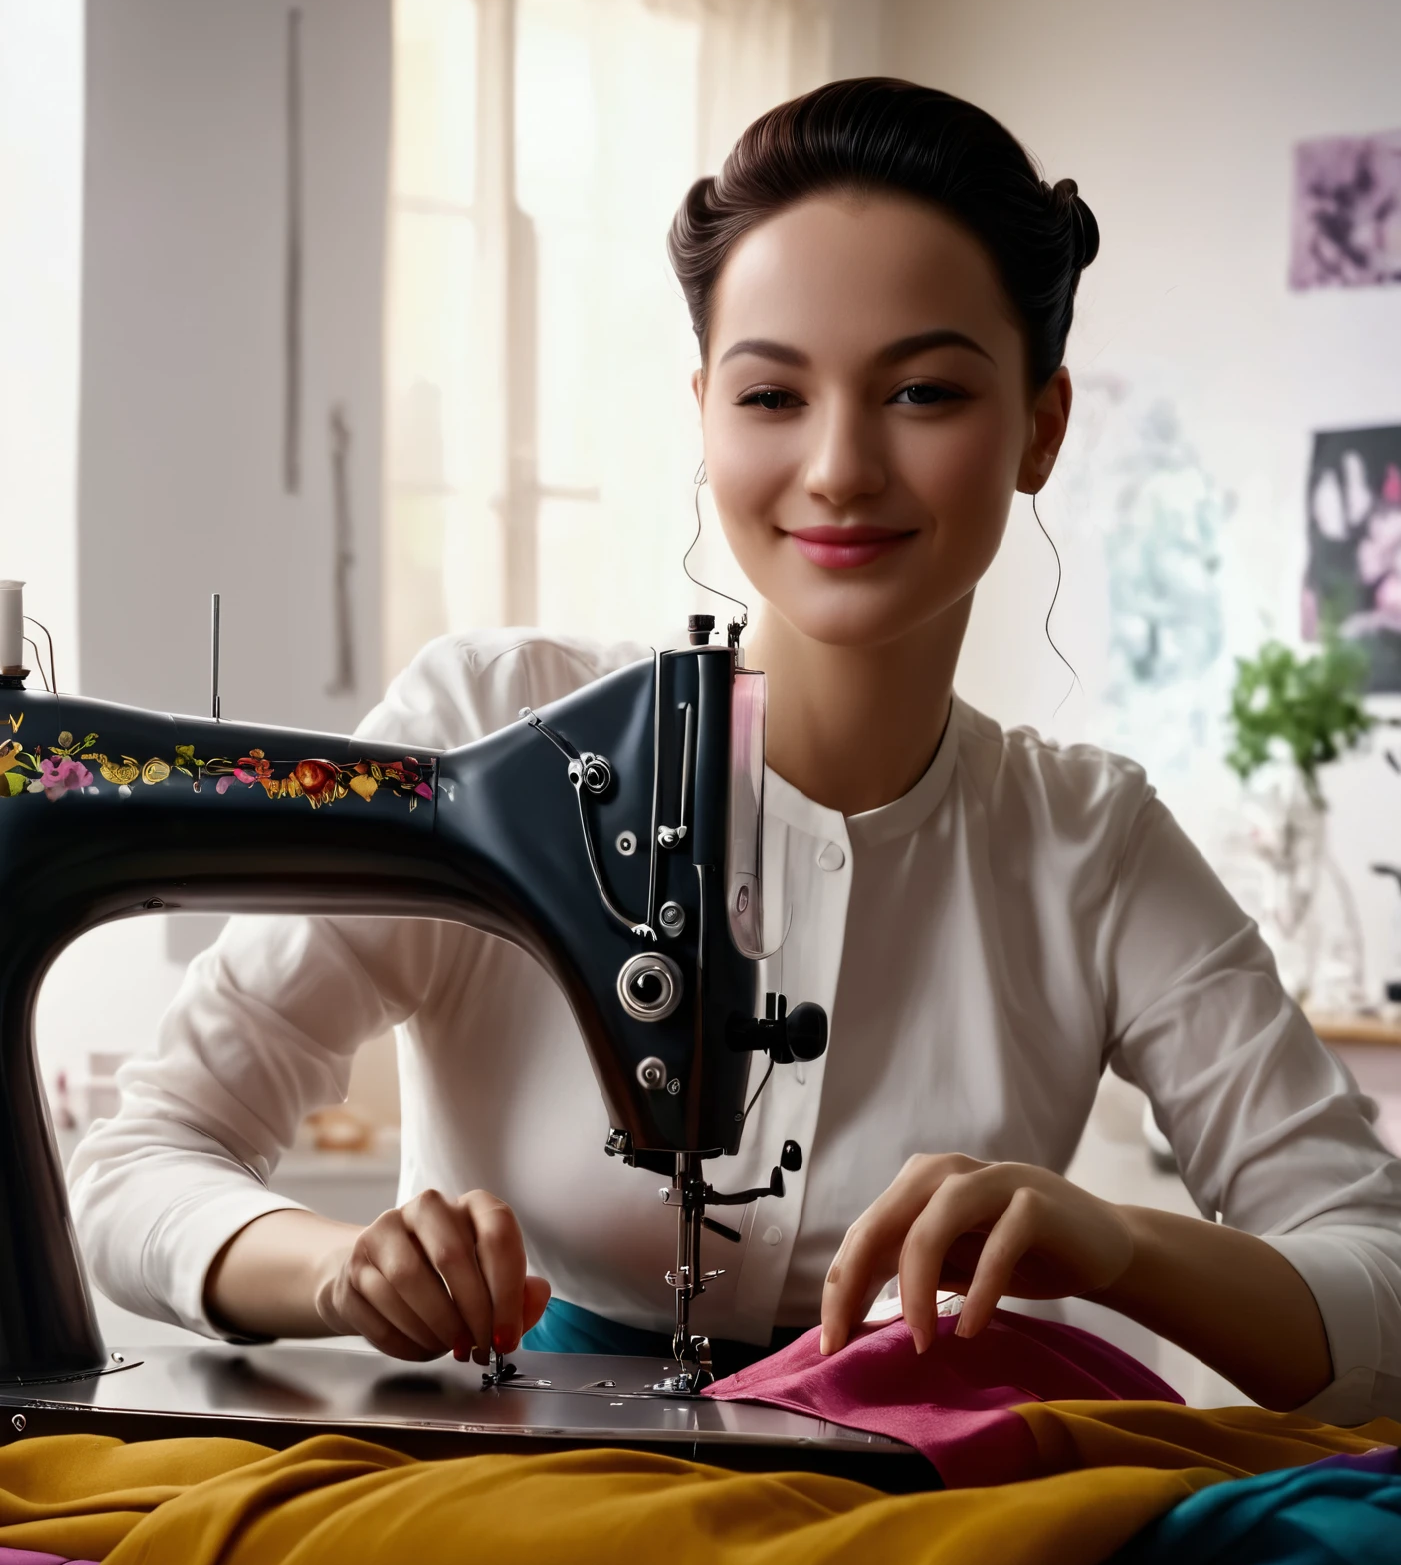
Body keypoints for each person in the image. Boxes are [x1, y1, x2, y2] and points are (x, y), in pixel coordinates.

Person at [72, 78, 1401, 1420]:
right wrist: (340, 1267)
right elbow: (141, 1161)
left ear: (1040, 430)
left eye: (925, 391)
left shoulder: (1087, 848)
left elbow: (1380, 1278)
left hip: (900, 1558)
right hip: (513, 1520)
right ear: (707, 412)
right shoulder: (488, 722)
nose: (839, 467)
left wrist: (1121, 1247)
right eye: (772, 396)